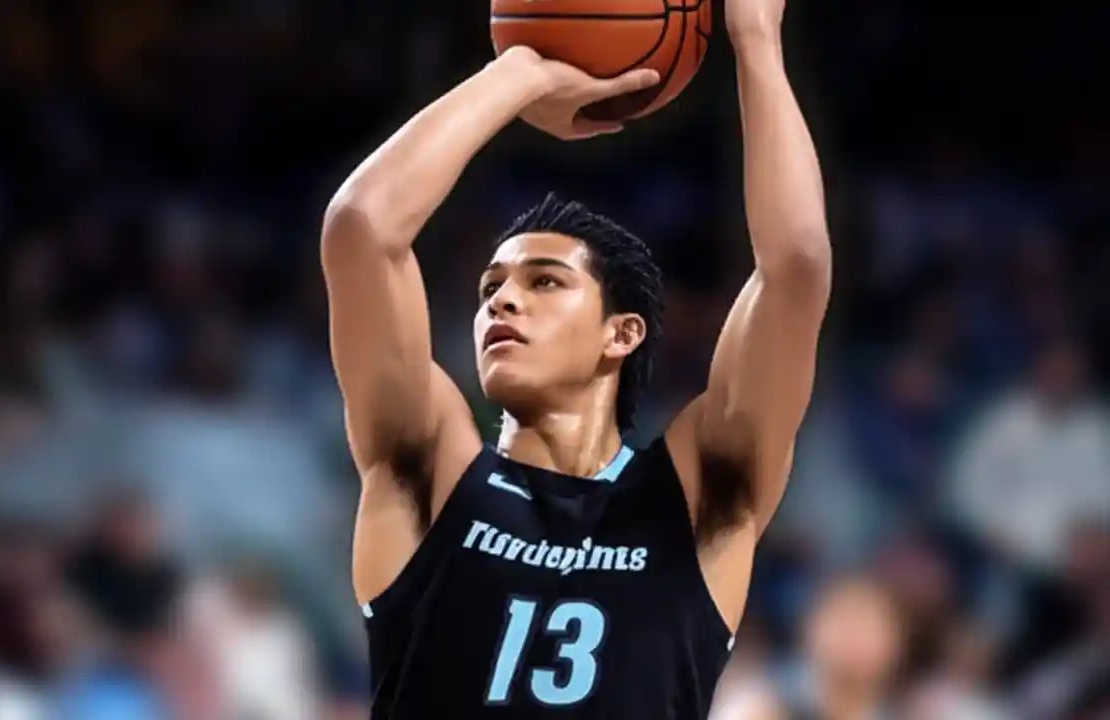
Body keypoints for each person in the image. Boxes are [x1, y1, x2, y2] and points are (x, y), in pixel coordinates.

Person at [320, 0, 831, 715]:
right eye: (489, 288)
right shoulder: (431, 474)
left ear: (621, 334)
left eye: (544, 282)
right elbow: (360, 228)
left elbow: (797, 267)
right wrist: (522, 70)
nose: (501, 302)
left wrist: (754, 41)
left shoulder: (690, 499)